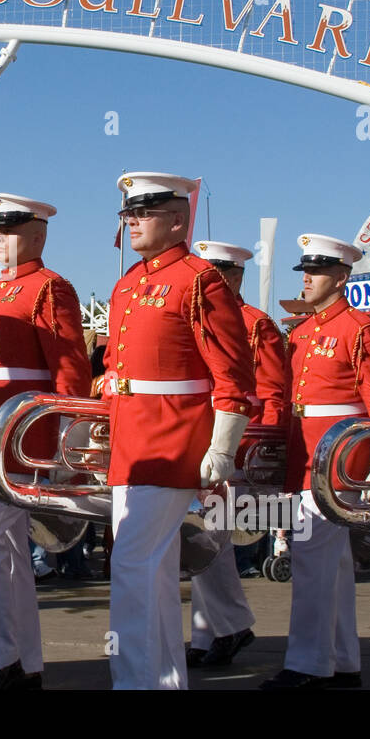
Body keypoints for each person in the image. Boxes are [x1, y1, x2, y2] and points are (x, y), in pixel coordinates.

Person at [103, 181, 254, 690]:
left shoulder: (200, 280)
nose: (133, 220)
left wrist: (223, 445)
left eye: (145, 212)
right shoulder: (128, 282)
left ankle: (136, 683)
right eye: (129, 213)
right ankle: (161, 682)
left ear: (176, 220)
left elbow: (233, 372)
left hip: (172, 438)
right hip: (131, 440)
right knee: (151, 573)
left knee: (132, 566)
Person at [0, 193, 91, 689]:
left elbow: (70, 369)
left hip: (21, 438)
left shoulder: (49, 288)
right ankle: (23, 664)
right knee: (8, 553)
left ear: (37, 237)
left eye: (10, 232)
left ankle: (0, 661)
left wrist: (65, 445)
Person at [260, 233, 370, 689]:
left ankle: (308, 666)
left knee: (312, 563)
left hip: (340, 461)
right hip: (305, 456)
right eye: (304, 270)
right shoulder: (303, 332)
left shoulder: (361, 330)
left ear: (341, 277)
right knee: (332, 567)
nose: (306, 279)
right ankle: (343, 663)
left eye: (316, 271)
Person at [188, 239, 288, 668]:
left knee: (209, 537)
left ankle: (228, 627)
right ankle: (206, 635)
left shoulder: (254, 323)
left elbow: (270, 393)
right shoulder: (191, 314)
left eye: (210, 272)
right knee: (205, 538)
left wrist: (250, 450)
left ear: (232, 276)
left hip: (234, 443)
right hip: (196, 436)